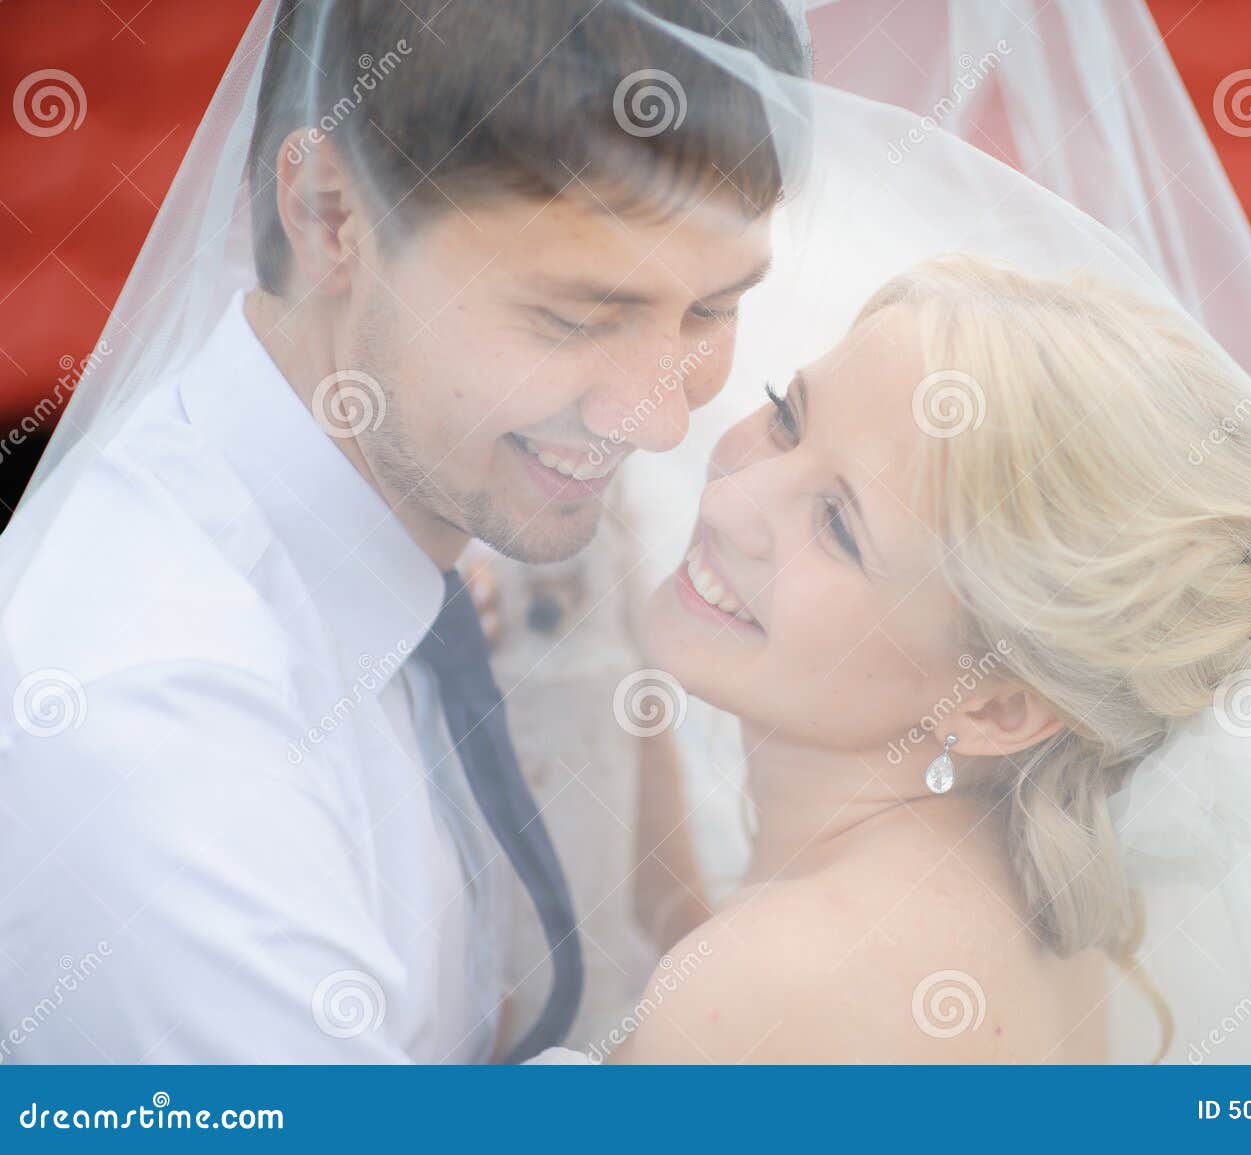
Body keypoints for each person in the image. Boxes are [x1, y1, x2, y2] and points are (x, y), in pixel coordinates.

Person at [0, 0, 805, 1063]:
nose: (660, 421)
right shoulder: (162, 732)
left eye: (711, 310)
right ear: (330, 213)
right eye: (571, 318)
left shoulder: (456, 497)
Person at [608, 255, 1251, 1063]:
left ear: (998, 706)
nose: (729, 499)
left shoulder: (758, 990)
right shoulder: (1034, 916)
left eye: (840, 527)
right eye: (785, 417)